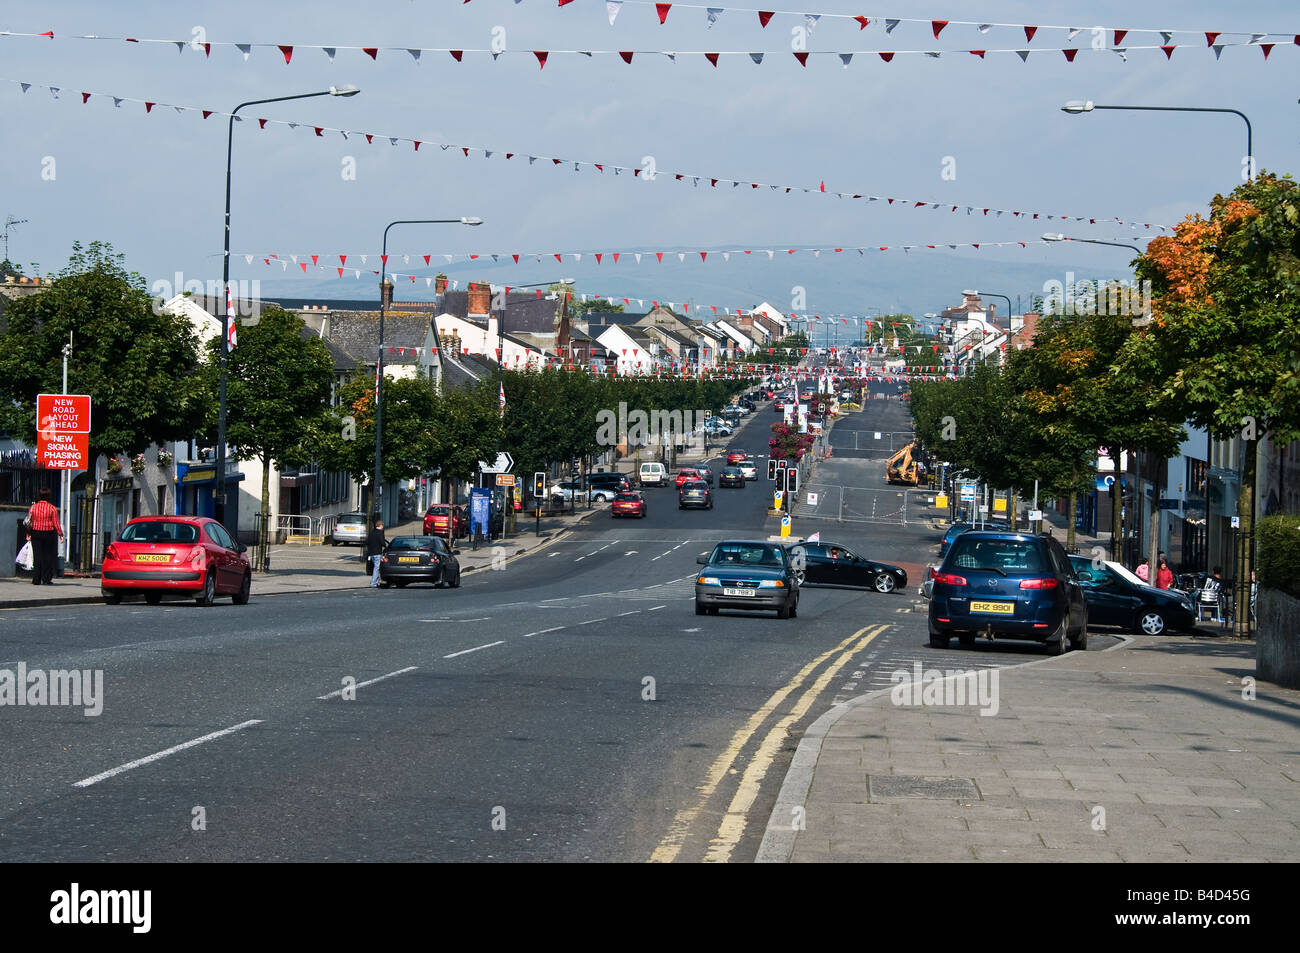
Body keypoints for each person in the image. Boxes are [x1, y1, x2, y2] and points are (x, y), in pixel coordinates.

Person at [24, 487, 64, 586]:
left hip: (36, 533)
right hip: (48, 534)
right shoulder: (52, 508)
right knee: (47, 556)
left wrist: (28, 534)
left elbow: (29, 522)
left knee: (37, 556)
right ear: (48, 496)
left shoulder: (33, 508)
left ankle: (36, 579)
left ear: (40, 495)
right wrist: (60, 534)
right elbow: (56, 522)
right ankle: (46, 579)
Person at [366, 519, 387, 588]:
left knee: (376, 567)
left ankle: (376, 581)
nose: (383, 527)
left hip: (371, 553)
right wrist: (385, 546)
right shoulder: (380, 532)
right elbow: (382, 542)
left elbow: (367, 542)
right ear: (381, 525)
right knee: (377, 568)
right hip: (377, 552)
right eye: (382, 525)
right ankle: (373, 583)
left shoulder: (371, 532)